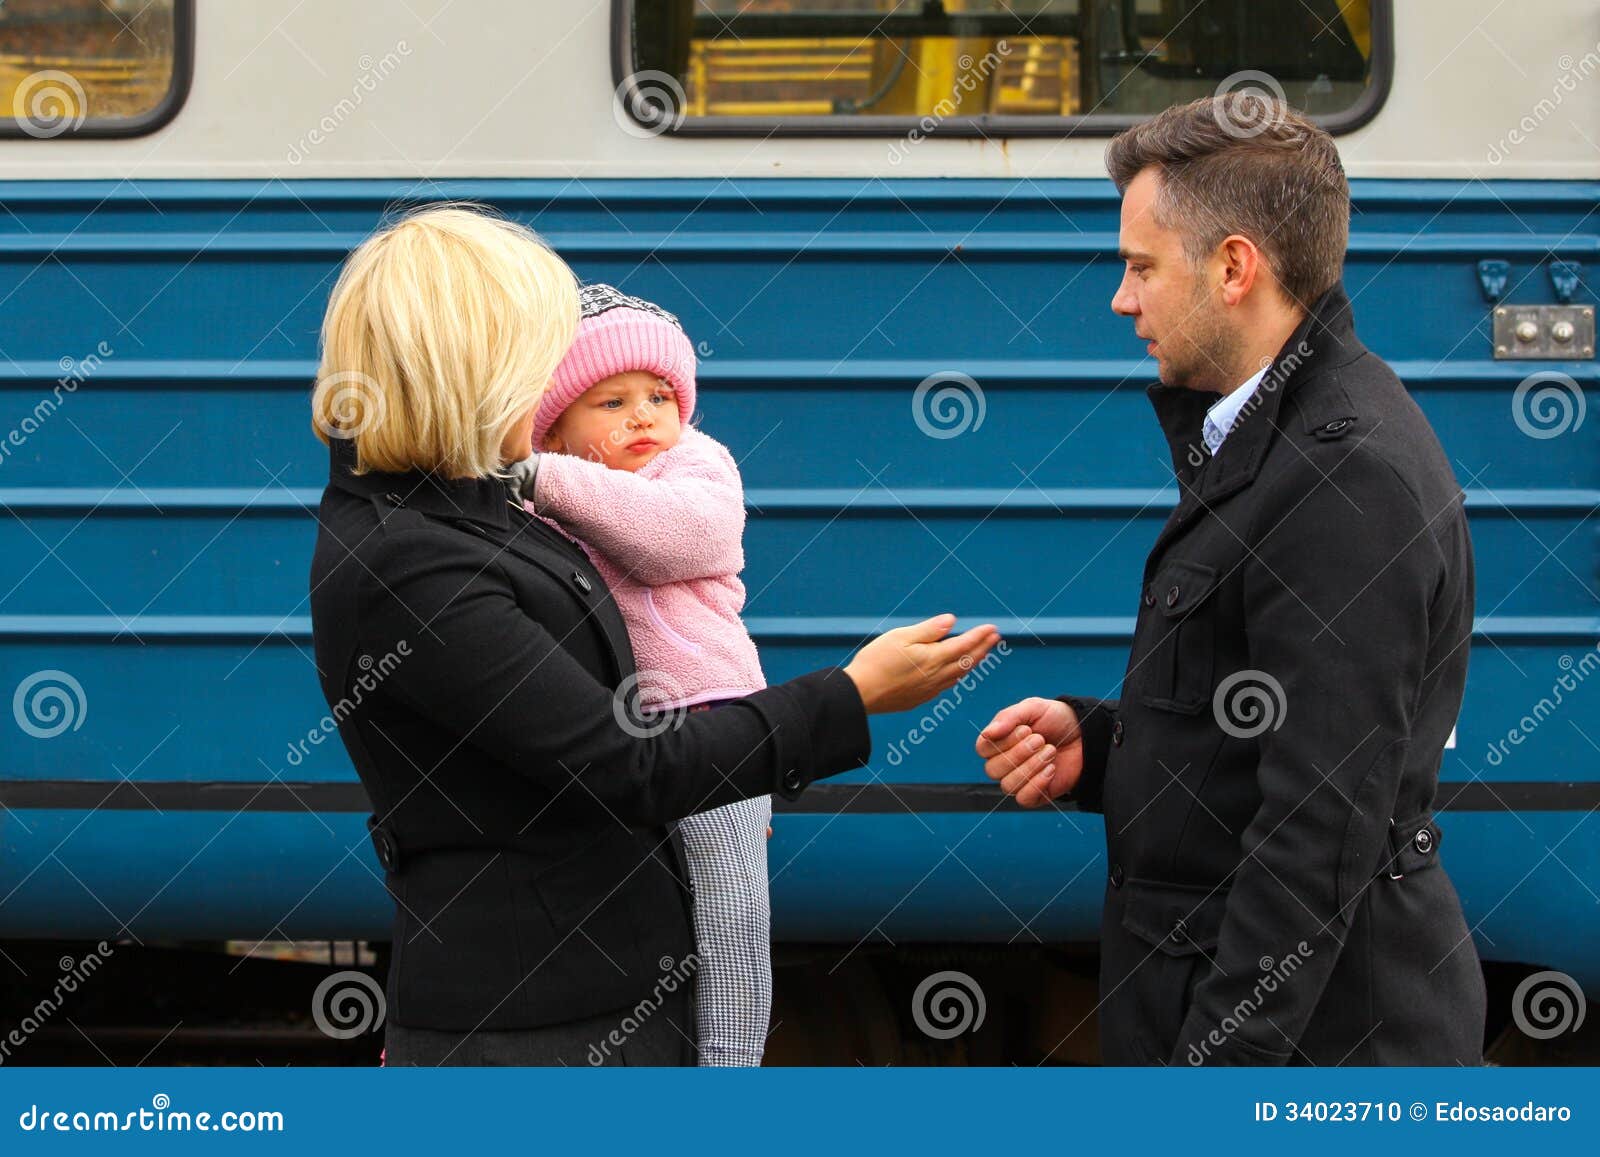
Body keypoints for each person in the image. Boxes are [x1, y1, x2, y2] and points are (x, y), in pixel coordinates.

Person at [306, 205, 1001, 1066]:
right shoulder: (410, 561)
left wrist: (736, 768)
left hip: (595, 1003)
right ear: (469, 365)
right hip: (535, 1033)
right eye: (531, 351)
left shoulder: (466, 511)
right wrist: (848, 698)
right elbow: (620, 763)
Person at [977, 94, 1486, 1065]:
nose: (1121, 299)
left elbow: (1319, 822)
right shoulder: (1287, 435)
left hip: (1322, 1050)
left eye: (1140, 267)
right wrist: (1108, 744)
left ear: (1234, 266)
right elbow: (1259, 718)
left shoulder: (1340, 475)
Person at [508, 283, 775, 1066]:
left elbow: (675, 538)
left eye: (661, 395)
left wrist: (540, 478)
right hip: (617, 742)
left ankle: (729, 1071)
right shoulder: (550, 496)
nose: (644, 416)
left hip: (712, 723)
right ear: (551, 424)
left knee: (730, 912)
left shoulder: (694, 466)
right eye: (611, 400)